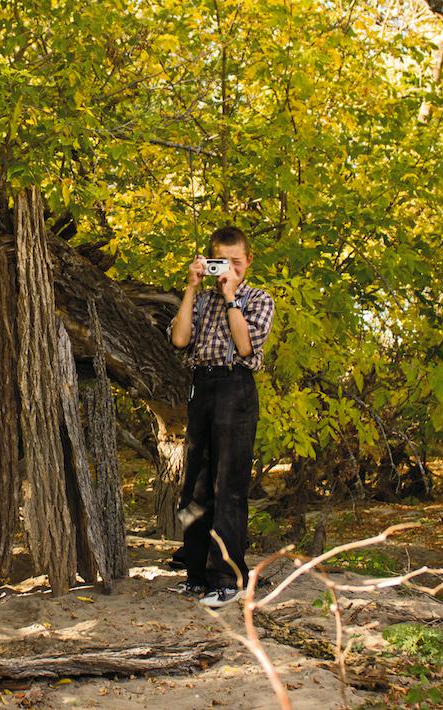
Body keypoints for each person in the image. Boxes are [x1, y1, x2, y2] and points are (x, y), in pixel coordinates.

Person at [169, 225, 274, 608]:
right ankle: (196, 574)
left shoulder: (258, 300)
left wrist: (231, 298)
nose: (229, 268)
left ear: (248, 262)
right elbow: (180, 339)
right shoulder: (200, 299)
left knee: (227, 487)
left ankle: (228, 578)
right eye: (221, 261)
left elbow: (245, 347)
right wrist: (192, 288)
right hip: (202, 386)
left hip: (236, 387)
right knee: (195, 485)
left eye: (236, 261)